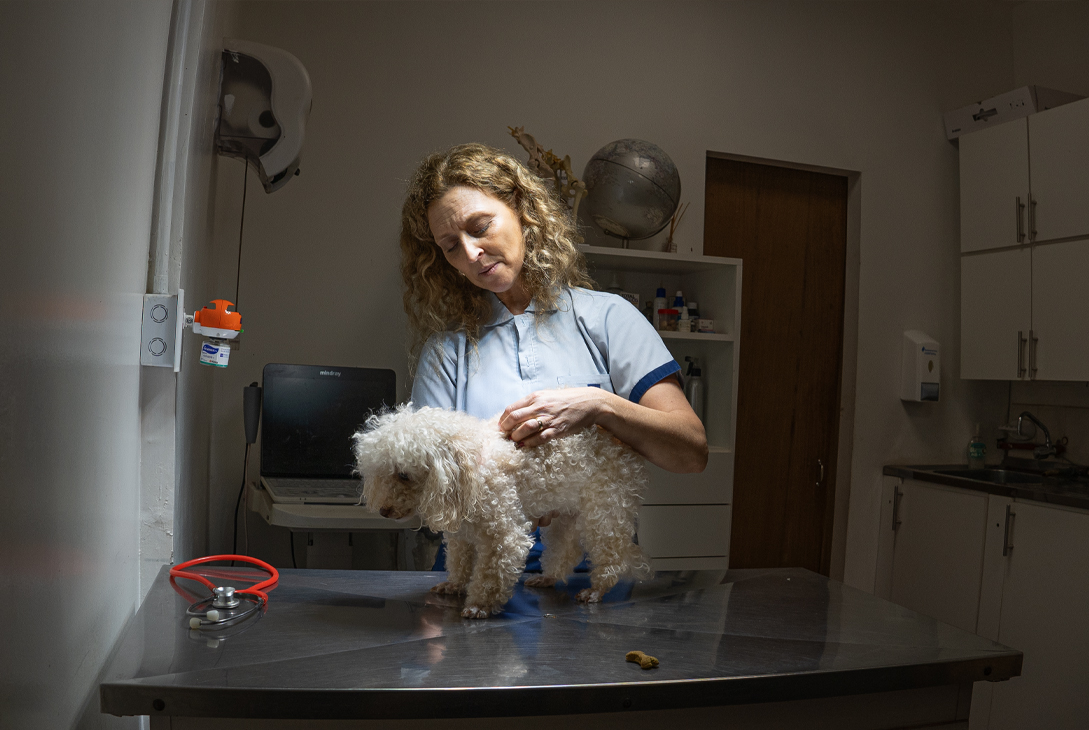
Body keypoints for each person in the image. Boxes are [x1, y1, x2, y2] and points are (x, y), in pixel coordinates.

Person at [400, 143, 707, 568]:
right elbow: (427, 490)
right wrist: (524, 493)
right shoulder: (446, 353)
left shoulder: (609, 318)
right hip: (481, 568)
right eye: (451, 246)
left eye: (480, 226)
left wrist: (599, 405)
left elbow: (691, 453)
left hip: (587, 564)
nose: (471, 253)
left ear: (522, 212)